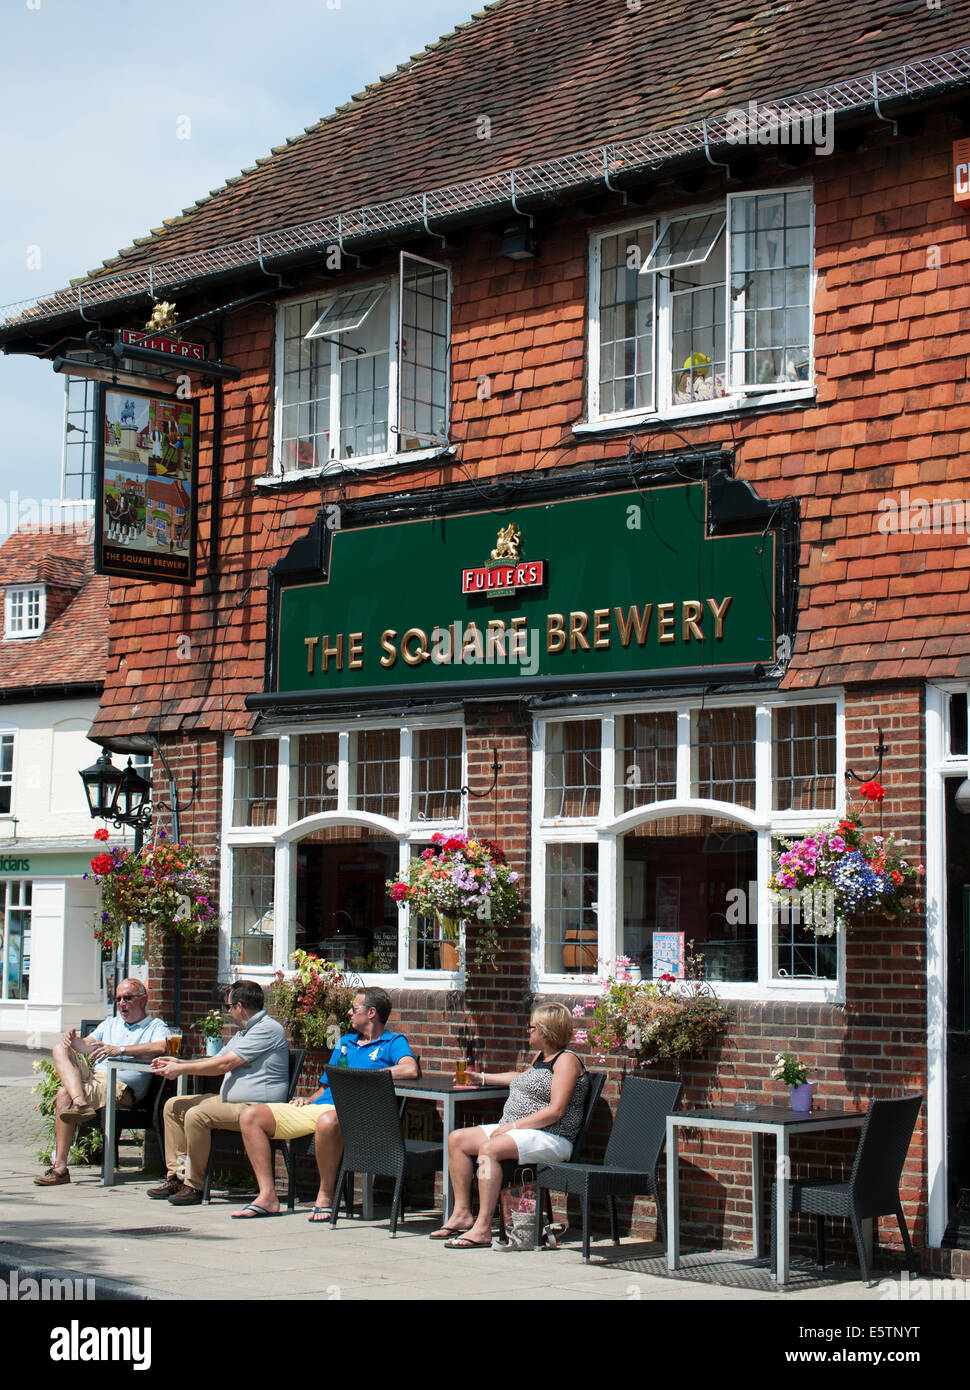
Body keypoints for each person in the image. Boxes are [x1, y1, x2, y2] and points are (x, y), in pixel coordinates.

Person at [231, 986, 418, 1220]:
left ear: (371, 1013)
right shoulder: (345, 1042)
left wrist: (372, 1074)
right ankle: (267, 1196)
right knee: (251, 1116)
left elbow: (410, 1068)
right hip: (321, 1107)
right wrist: (307, 1099)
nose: (349, 1013)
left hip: (355, 1114)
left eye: (354, 1008)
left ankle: (326, 1195)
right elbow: (325, 1087)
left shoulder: (392, 1042)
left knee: (327, 1120)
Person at [434, 1002, 588, 1249]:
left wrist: (513, 1126)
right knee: (458, 1139)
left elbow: (556, 1110)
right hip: (519, 1130)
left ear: (545, 1031)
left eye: (531, 1027)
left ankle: (483, 1227)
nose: (528, 1031)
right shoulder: (542, 1057)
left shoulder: (566, 1061)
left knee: (490, 1149)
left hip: (551, 1136)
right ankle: (462, 1213)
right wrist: (481, 1078)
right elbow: (520, 1077)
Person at [148, 979, 289, 1206]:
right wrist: (178, 1061)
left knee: (197, 1115)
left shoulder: (267, 1029)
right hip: (232, 1102)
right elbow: (216, 1059)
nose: (228, 1012)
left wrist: (180, 1069)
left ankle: (194, 1185)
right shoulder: (243, 1032)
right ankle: (177, 1176)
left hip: (257, 1107)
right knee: (174, 1106)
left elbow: (224, 1066)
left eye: (228, 1007)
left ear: (239, 1006)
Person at [34, 978, 169, 1187]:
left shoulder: (155, 1026)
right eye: (118, 999)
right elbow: (86, 1046)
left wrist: (121, 1050)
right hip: (95, 1078)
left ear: (143, 1000)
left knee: (63, 1095)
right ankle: (79, 1101)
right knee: (59, 1049)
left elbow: (161, 1047)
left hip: (121, 1087)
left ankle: (60, 1168)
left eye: (127, 998)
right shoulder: (111, 1023)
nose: (122, 1003)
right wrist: (72, 1041)